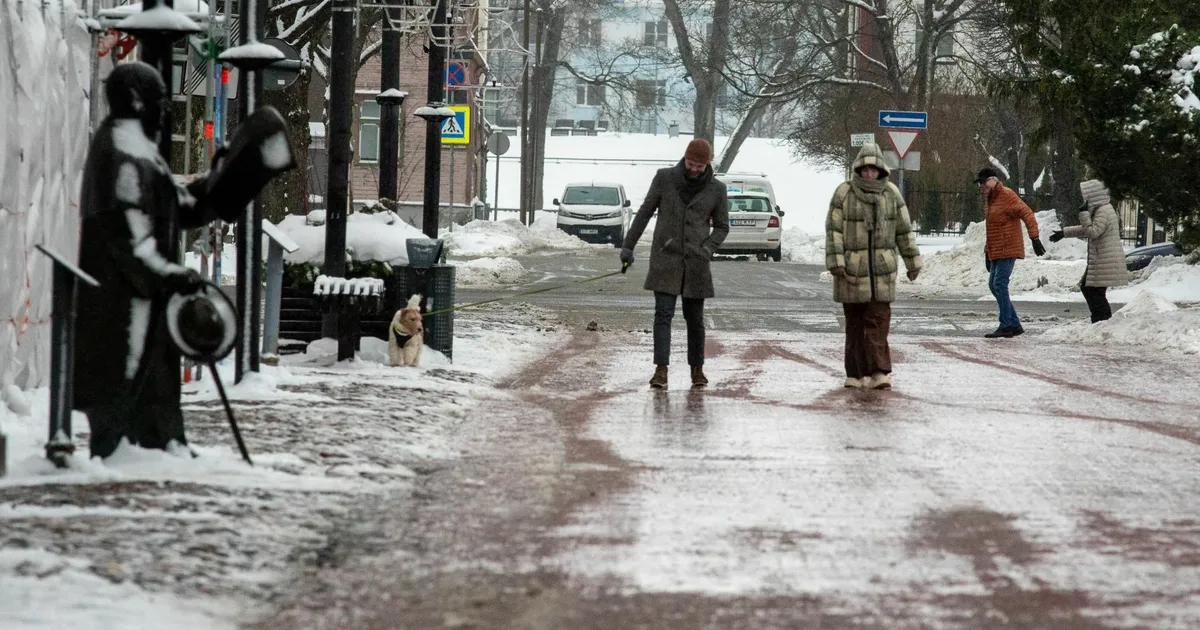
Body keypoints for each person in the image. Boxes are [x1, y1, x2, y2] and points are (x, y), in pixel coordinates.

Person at [75, 62, 295, 458]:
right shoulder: (122, 153)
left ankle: (161, 445)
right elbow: (126, 238)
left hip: (144, 298)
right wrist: (170, 274)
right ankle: (123, 454)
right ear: (139, 101)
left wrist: (226, 179)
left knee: (155, 380)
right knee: (124, 384)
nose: (166, 111)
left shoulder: (138, 149)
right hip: (123, 304)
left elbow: (178, 208)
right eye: (161, 101)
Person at [620, 138, 730, 389]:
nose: (694, 169)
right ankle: (661, 370)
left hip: (696, 263)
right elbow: (645, 212)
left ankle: (697, 369)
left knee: (695, 320)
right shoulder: (664, 178)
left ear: (708, 164)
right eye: (691, 163)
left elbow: (723, 226)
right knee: (663, 315)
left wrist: (707, 248)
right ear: (685, 158)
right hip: (665, 258)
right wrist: (628, 246)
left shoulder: (716, 189)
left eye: (700, 166)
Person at [825, 143, 922, 389]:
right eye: (865, 169)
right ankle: (855, 373)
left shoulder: (891, 194)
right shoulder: (843, 193)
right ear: (858, 169)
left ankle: (880, 371)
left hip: (882, 271)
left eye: (873, 169)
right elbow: (833, 230)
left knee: (878, 323)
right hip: (851, 272)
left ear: (880, 169)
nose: (869, 173)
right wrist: (836, 261)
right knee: (855, 325)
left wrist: (912, 261)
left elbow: (904, 231)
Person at [977, 167, 1045, 338]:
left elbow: (1027, 213)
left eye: (983, 182)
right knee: (994, 285)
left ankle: (1006, 325)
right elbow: (991, 228)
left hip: (1008, 247)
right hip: (996, 249)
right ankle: (1013, 323)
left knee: (999, 285)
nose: (981, 187)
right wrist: (987, 251)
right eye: (980, 184)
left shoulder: (1007, 195)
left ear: (993, 180)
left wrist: (1034, 238)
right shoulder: (990, 201)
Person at [1048, 179, 1130, 322]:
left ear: (1092, 195)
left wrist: (1083, 213)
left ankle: (1102, 321)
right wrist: (1064, 233)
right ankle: (1100, 320)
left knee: (1093, 291)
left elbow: (1093, 231)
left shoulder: (1103, 210)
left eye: (1085, 196)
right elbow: (1089, 228)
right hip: (1103, 258)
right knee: (1093, 291)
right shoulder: (1102, 209)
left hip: (1104, 258)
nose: (1083, 199)